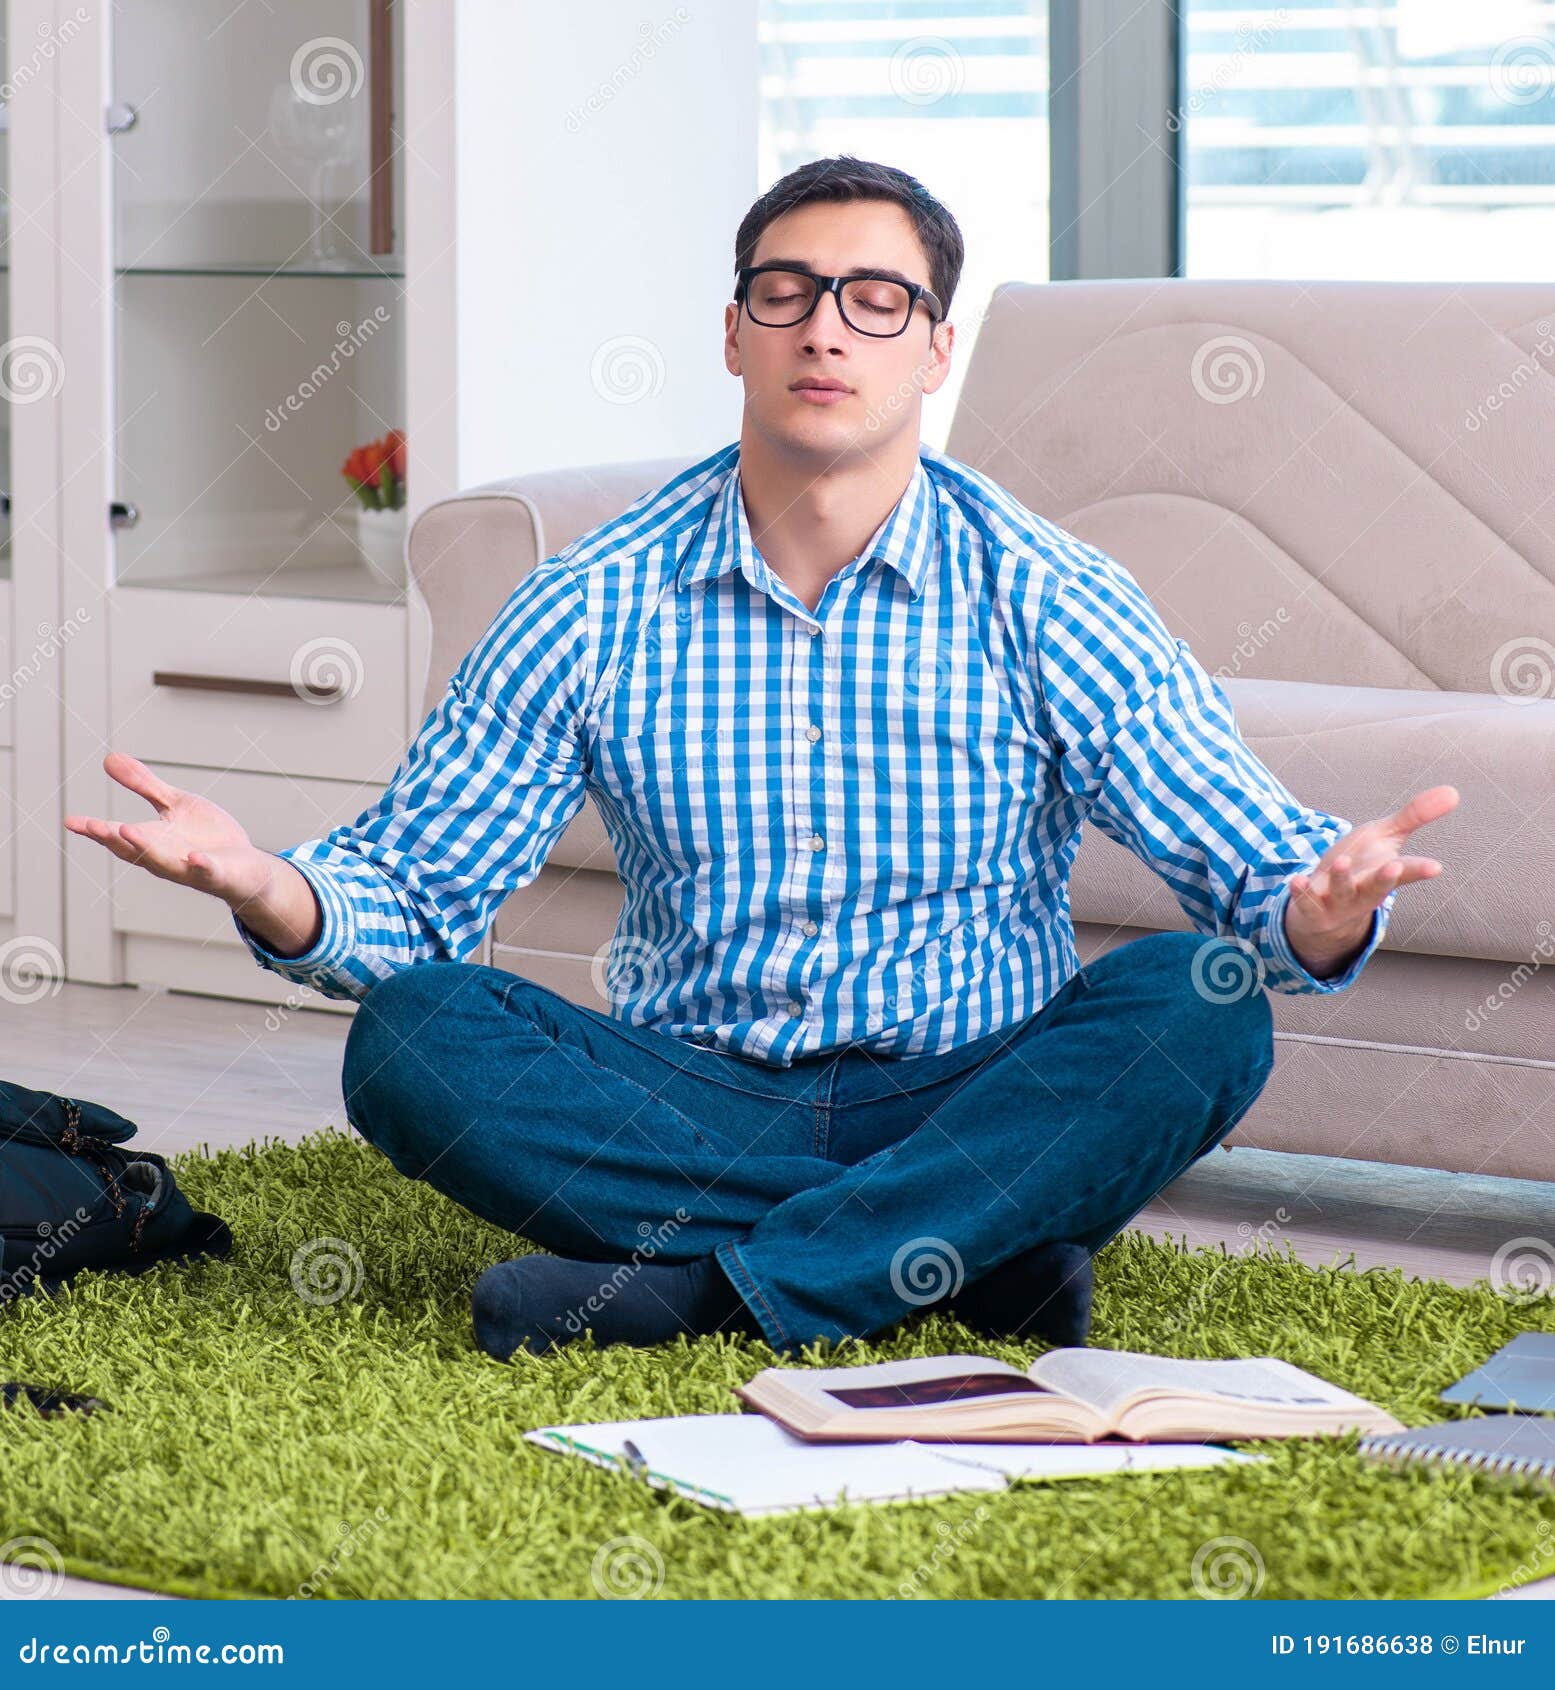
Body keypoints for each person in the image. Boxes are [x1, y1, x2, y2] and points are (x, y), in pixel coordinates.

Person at [65, 157, 1457, 1362]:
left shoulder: (1045, 590)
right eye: (785, 292)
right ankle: (961, 1249)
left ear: (935, 349)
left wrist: (1314, 908)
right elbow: (416, 898)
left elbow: (1249, 864)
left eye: (876, 299)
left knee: (1204, 998)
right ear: (735, 333)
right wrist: (268, 887)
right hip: (698, 1090)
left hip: (970, 1075)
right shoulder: (593, 599)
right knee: (415, 1035)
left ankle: (724, 1295)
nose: (825, 329)